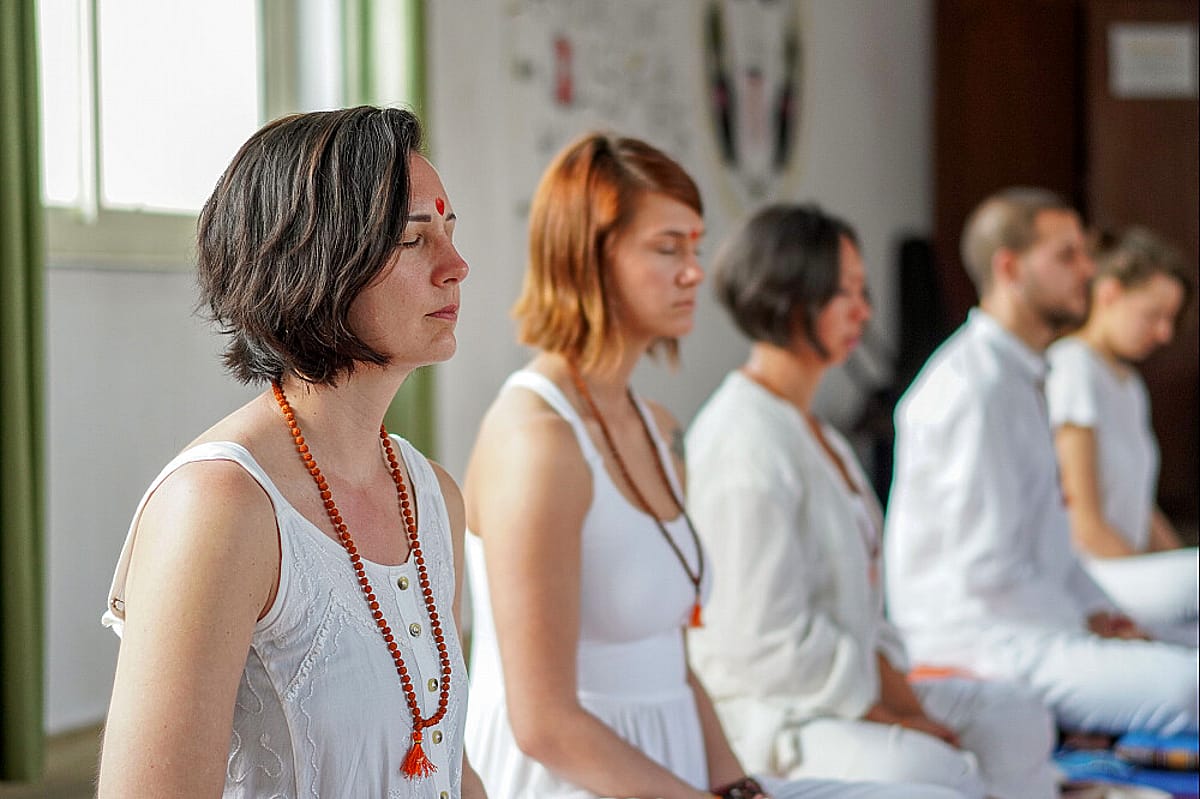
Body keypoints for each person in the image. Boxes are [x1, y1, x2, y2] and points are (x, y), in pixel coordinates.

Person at [462, 133, 962, 799]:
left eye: (695, 248)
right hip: (576, 782)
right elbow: (544, 725)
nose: (695, 271)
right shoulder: (537, 438)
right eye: (669, 249)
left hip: (682, 771)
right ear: (590, 257)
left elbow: (678, 659)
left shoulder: (659, 428)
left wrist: (736, 785)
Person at [98, 106, 486, 798]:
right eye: (412, 239)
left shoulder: (432, 494)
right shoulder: (218, 507)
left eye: (450, 233)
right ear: (314, 257)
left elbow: (444, 759)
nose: (456, 267)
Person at [685, 203, 1058, 798]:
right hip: (777, 711)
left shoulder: (814, 429)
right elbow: (761, 646)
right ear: (790, 299)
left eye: (863, 291)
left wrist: (900, 695)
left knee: (1015, 721)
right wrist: (891, 711)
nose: (865, 312)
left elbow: (863, 598)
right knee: (935, 769)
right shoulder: (742, 442)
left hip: (853, 679)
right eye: (845, 294)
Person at [884, 187, 1199, 737]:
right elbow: (985, 571)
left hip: (1033, 621)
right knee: (1188, 687)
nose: (1087, 271)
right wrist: (1083, 625)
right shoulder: (971, 388)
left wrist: (1105, 614)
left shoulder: (1023, 375)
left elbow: (1049, 544)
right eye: (1066, 256)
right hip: (982, 637)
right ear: (1010, 268)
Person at [1046, 227, 1198, 647]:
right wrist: (1170, 581)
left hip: (1131, 569)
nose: (1164, 333)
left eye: (1171, 319)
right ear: (1109, 294)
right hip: (1094, 573)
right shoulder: (1074, 368)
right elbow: (1086, 524)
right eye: (1153, 315)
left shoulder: (1128, 384)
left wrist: (1174, 563)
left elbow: (1140, 507)